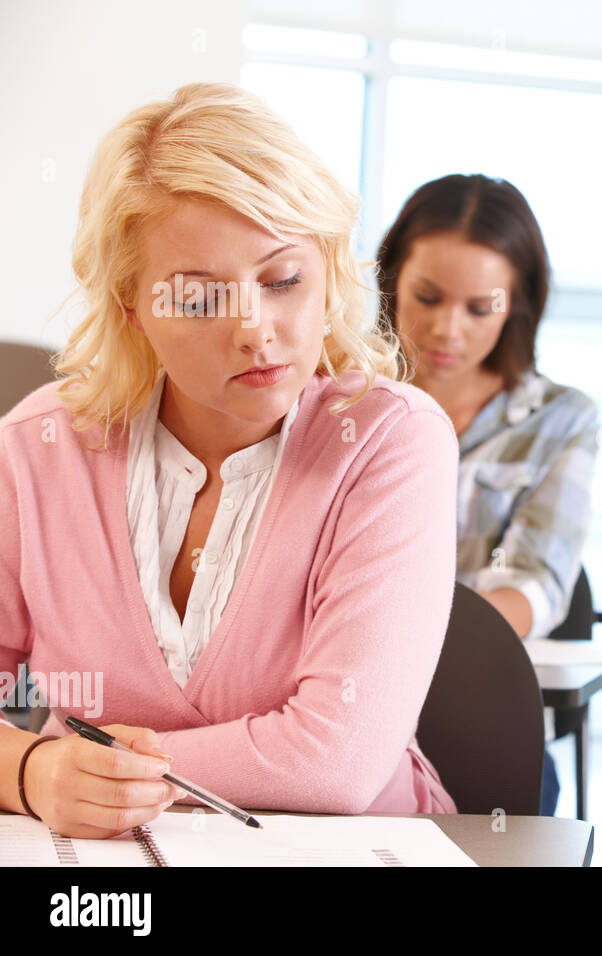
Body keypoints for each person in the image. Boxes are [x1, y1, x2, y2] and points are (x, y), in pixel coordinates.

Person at [0, 82, 459, 838]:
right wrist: (30, 773)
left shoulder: (389, 439)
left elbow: (334, 763)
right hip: (113, 877)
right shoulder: (37, 450)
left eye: (283, 280)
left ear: (327, 271)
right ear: (128, 305)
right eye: (198, 297)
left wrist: (94, 767)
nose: (255, 329)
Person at [376, 174, 598, 817]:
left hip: (467, 706)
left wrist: (407, 643)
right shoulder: (337, 394)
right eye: (427, 297)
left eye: (480, 309)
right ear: (392, 281)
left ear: (517, 305)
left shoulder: (562, 419)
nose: (448, 330)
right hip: (333, 698)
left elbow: (536, 582)